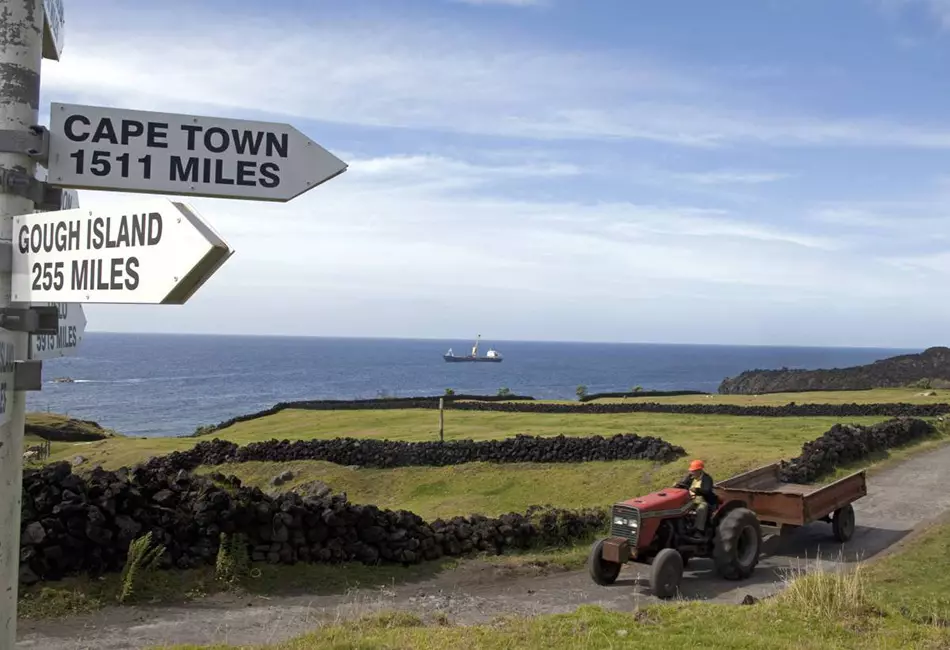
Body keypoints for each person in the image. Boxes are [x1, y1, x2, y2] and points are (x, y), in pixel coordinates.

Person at [674, 459, 717, 539]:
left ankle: (698, 530)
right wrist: (677, 485)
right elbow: (683, 484)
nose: (692, 472)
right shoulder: (690, 477)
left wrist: (697, 490)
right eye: (691, 470)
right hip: (689, 500)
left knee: (702, 508)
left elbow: (707, 491)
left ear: (700, 470)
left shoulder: (707, 478)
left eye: (694, 471)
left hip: (702, 500)